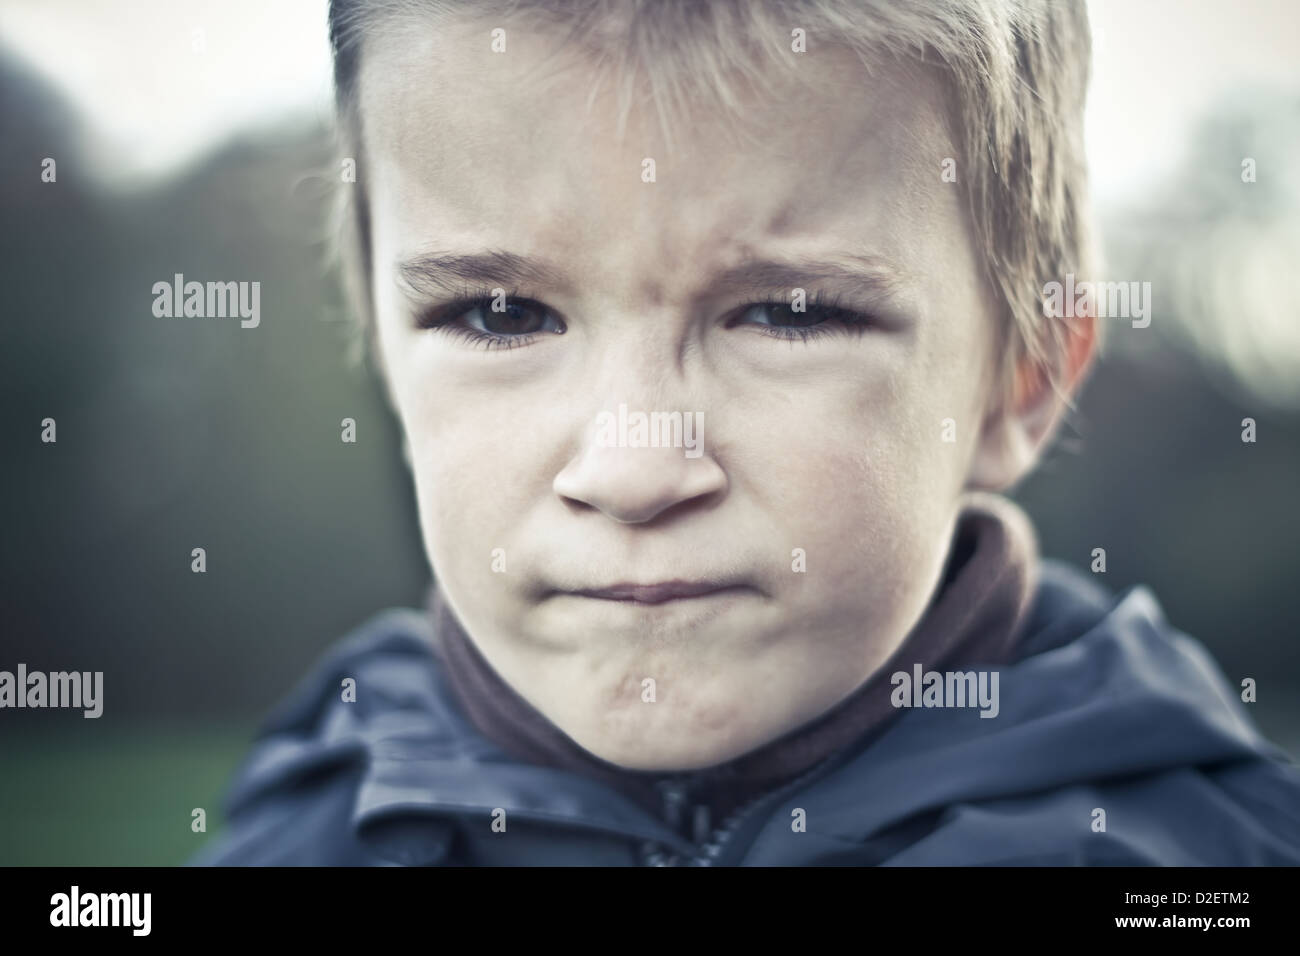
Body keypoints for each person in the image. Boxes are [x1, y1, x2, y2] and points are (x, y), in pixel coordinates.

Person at [192, 0, 1300, 866]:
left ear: (1021, 379)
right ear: (382, 350)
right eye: (501, 314)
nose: (631, 469)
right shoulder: (310, 822)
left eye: (789, 312)